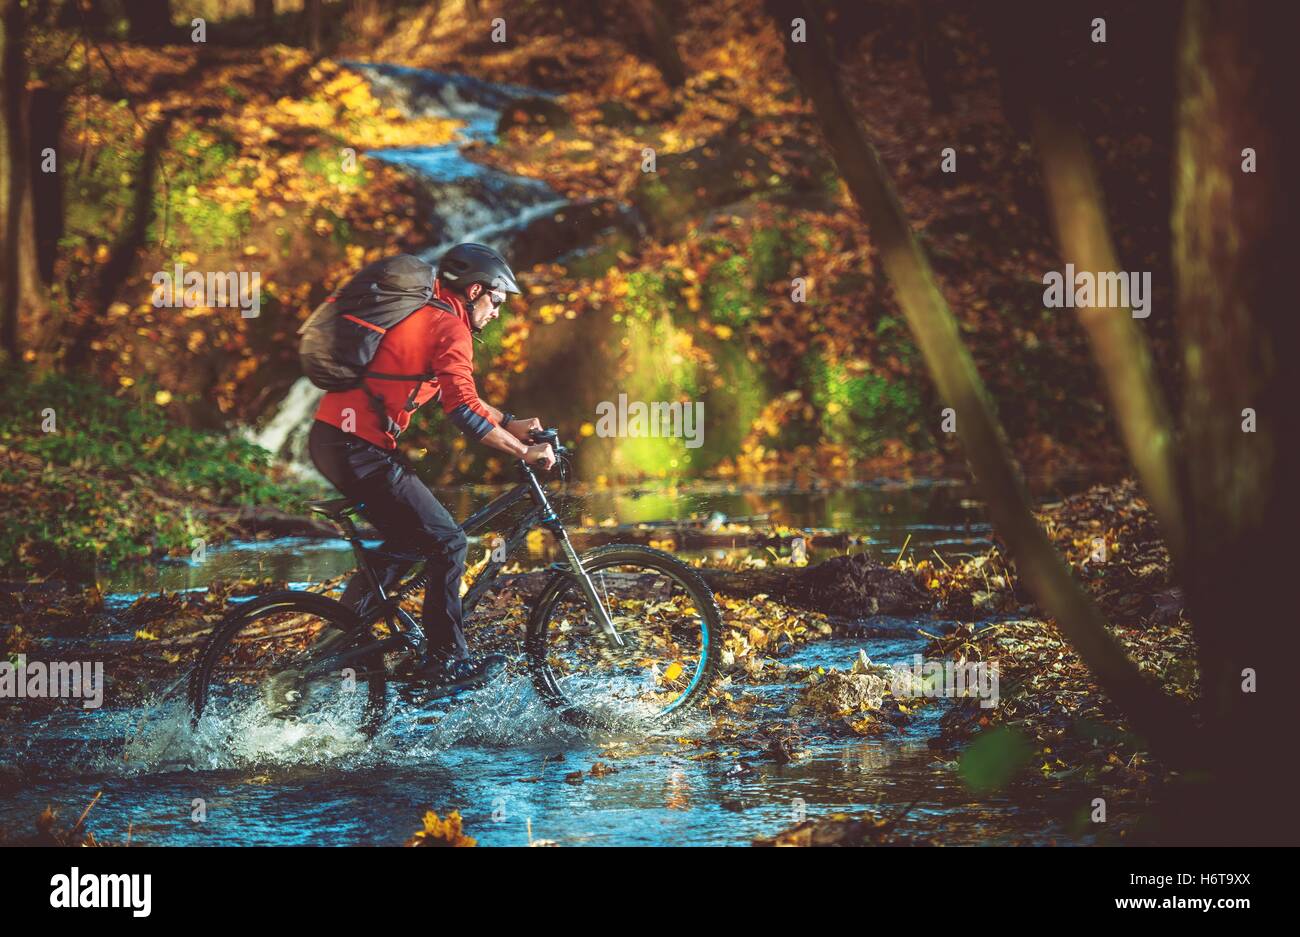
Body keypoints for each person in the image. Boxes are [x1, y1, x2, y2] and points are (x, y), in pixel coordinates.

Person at [307, 243, 556, 692]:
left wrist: (509, 423)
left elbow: (458, 395)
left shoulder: (428, 314)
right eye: (497, 300)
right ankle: (445, 663)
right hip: (354, 447)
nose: (497, 312)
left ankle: (335, 641)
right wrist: (523, 453)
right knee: (447, 541)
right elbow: (462, 411)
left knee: (408, 539)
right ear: (475, 290)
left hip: (337, 441)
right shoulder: (449, 326)